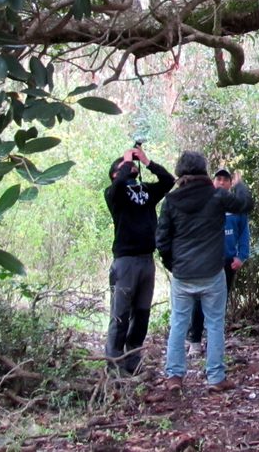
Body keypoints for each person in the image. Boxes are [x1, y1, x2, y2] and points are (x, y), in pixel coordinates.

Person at [156, 151, 252, 393]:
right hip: (212, 273)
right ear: (204, 171)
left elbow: (162, 240)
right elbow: (244, 205)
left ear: (180, 172)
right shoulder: (217, 195)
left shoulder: (171, 200)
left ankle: (175, 376)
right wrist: (240, 185)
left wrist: (174, 265)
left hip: (183, 274)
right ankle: (215, 377)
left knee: (178, 323)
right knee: (215, 323)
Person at [103, 143, 174, 375]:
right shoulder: (115, 194)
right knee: (120, 314)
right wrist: (124, 164)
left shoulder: (145, 191)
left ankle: (133, 361)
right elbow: (115, 188)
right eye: (124, 166)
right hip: (125, 261)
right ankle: (114, 364)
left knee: (141, 314)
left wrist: (146, 161)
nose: (130, 166)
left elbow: (168, 181)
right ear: (116, 174)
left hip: (146, 260)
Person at [187, 168, 251, 351]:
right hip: (206, 262)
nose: (221, 182)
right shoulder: (205, 203)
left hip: (228, 261)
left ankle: (214, 344)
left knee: (219, 304)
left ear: (231, 184)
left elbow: (244, 233)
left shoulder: (236, 206)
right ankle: (195, 341)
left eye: (225, 179)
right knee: (199, 302)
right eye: (218, 179)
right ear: (212, 182)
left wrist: (241, 256)